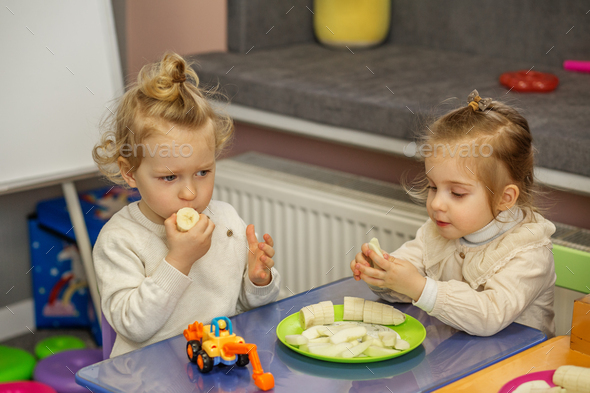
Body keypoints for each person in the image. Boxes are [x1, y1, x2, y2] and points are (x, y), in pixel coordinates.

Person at [92, 52, 281, 357]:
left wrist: (259, 282)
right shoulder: (119, 240)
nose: (190, 193)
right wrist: (179, 260)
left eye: (203, 172)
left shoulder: (226, 219)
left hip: (217, 366)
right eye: (170, 177)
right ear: (130, 172)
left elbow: (246, 307)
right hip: (148, 377)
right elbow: (133, 326)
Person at [351, 90, 556, 337]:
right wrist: (382, 275)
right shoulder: (436, 231)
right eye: (433, 187)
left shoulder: (529, 254)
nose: (437, 203)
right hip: (455, 363)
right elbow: (406, 282)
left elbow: (489, 315)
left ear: (505, 198)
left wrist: (420, 287)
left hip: (516, 369)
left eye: (457, 193)